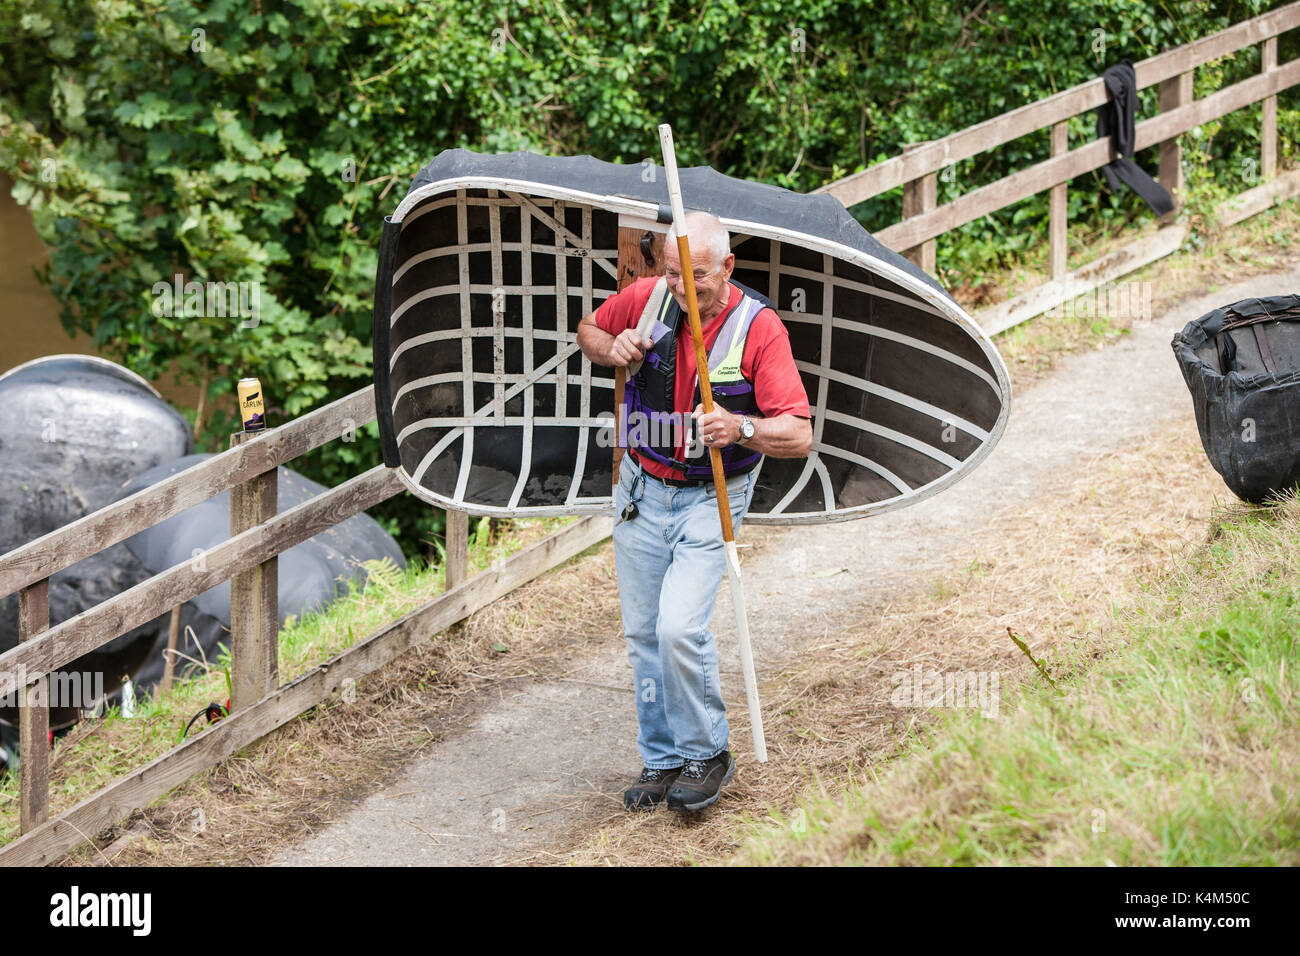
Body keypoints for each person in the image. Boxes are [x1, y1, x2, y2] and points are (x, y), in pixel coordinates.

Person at [576, 211, 812, 812]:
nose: (684, 289)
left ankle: (708, 752)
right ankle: (662, 760)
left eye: (698, 277)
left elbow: (798, 434)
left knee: (680, 627)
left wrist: (742, 426)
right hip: (641, 490)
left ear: (728, 267)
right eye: (674, 276)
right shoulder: (651, 296)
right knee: (644, 636)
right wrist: (614, 345)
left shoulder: (759, 329)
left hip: (712, 495)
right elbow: (588, 332)